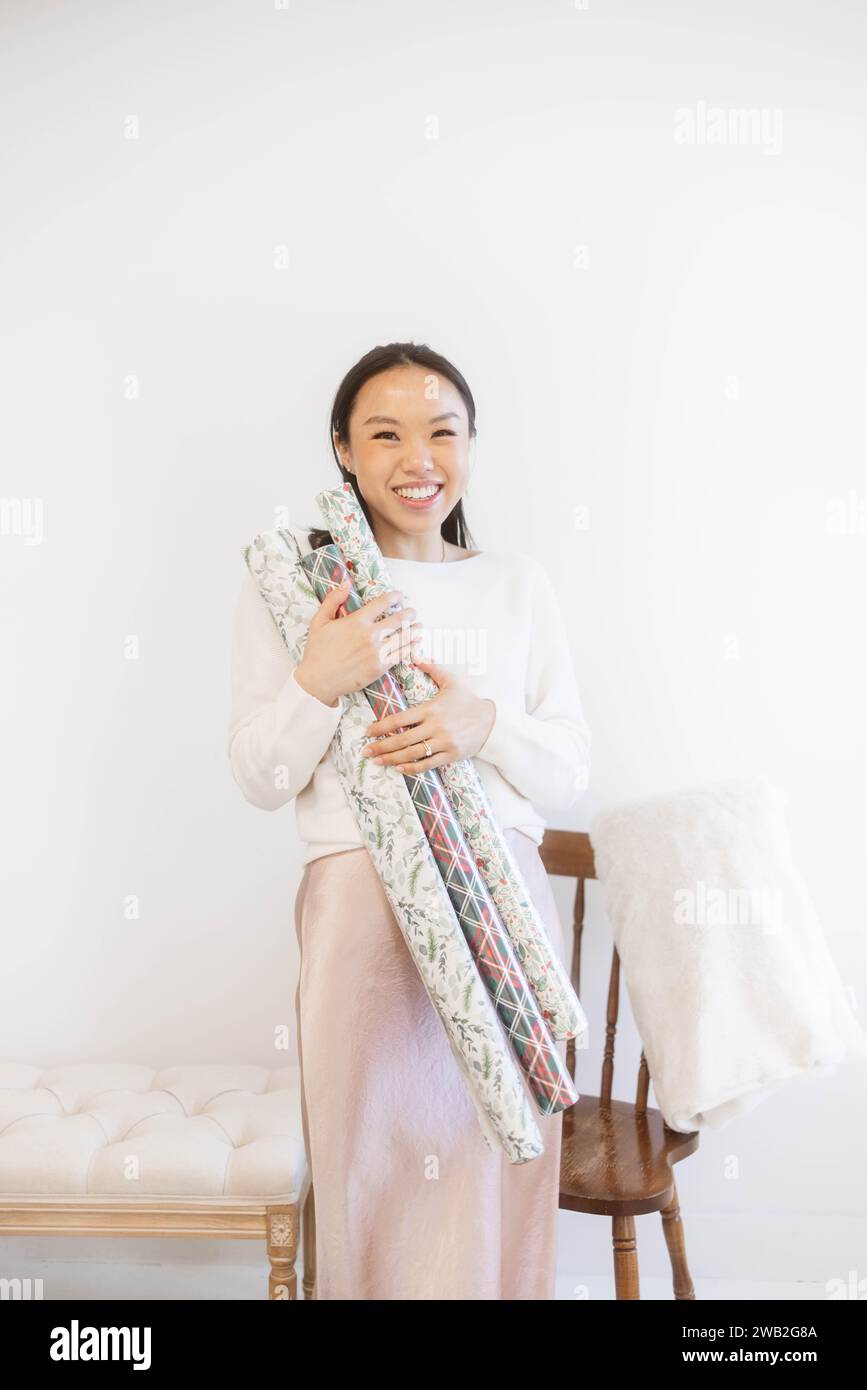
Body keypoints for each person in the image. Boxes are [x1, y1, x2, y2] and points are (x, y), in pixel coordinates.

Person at [227, 341, 591, 1299]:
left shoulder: (517, 585)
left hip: (503, 907)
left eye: (442, 432)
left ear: (472, 445)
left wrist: (486, 725)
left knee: (499, 1159)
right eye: (384, 434)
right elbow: (261, 776)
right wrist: (320, 678)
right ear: (341, 450)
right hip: (359, 913)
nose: (416, 458)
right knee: (369, 1164)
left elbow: (571, 765)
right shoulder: (303, 590)